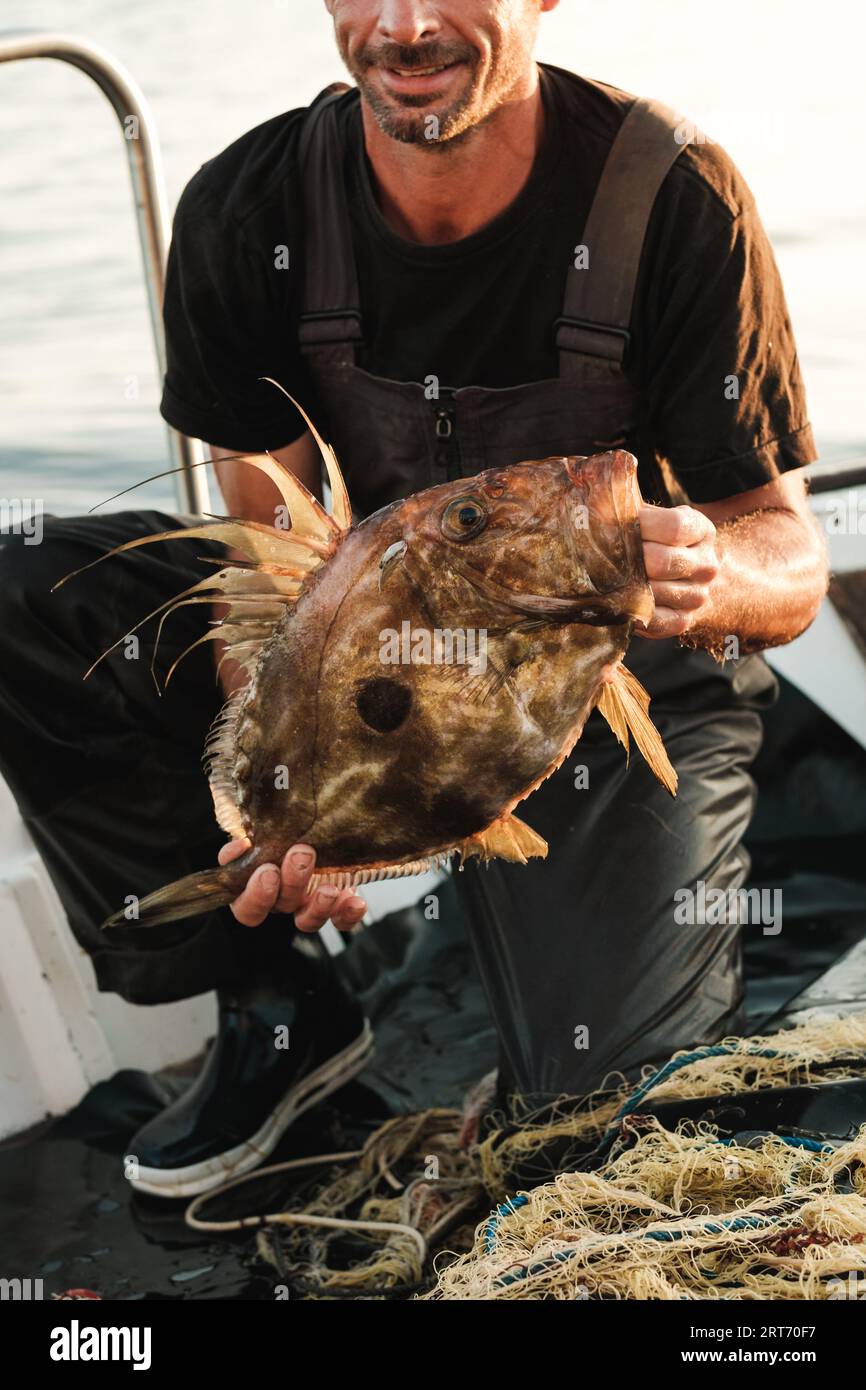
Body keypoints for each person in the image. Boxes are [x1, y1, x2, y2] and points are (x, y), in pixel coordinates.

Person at [0, 0, 827, 1198]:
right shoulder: (250, 209)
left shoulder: (668, 192)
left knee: (596, 1139)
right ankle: (277, 1007)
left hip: (603, 685)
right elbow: (269, 539)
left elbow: (788, 554)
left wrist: (707, 568)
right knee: (31, 592)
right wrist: (277, 787)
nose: (401, 25)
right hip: (358, 635)